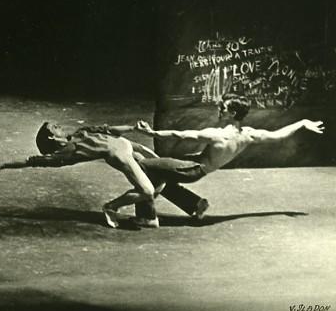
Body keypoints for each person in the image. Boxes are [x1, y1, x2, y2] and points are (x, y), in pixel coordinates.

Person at [129, 94, 325, 225]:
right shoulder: (249, 134)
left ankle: (147, 217)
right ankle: (195, 205)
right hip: (198, 169)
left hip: (192, 169)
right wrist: (302, 123)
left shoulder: (216, 134)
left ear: (232, 113)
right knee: (159, 172)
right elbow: (278, 135)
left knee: (143, 167)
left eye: (222, 107)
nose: (219, 109)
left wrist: (151, 132)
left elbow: (179, 135)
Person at [0, 121, 166, 228]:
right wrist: (3, 166)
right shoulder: (65, 154)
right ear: (52, 138)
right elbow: (30, 161)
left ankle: (148, 216)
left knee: (160, 173)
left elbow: (108, 129)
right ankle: (111, 207)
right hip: (120, 155)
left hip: (127, 144)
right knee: (148, 190)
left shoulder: (81, 132)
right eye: (54, 128)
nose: (59, 126)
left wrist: (133, 128)